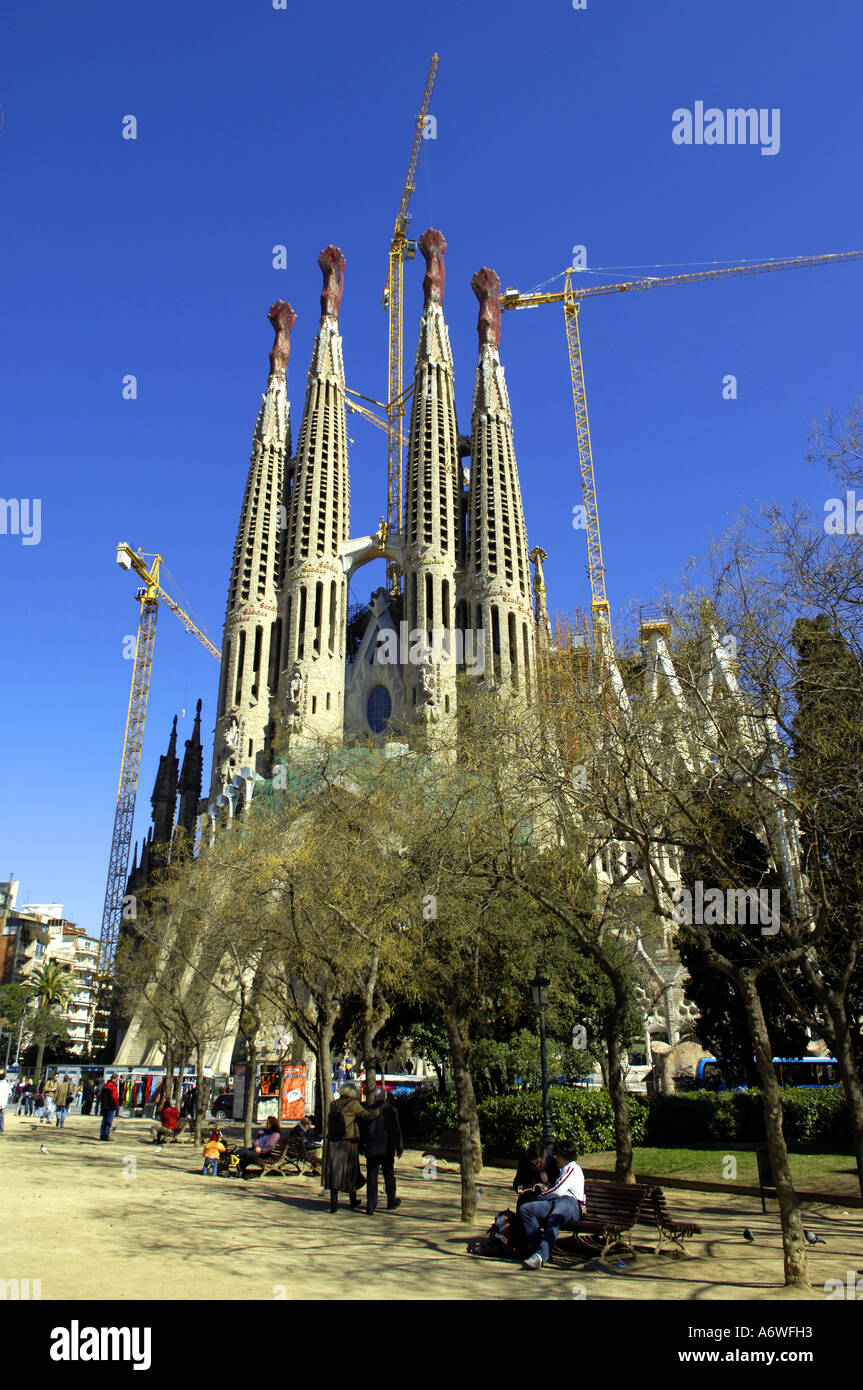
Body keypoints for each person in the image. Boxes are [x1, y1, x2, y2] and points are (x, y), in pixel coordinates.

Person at [520, 1141, 586, 1271]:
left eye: (558, 1155)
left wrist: (539, 1197)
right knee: (526, 1209)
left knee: (554, 1218)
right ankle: (538, 1247)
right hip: (556, 1202)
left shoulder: (573, 1169)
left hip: (570, 1203)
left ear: (565, 1157)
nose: (555, 1158)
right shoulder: (563, 1169)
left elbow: (558, 1190)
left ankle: (540, 1256)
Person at [324, 1083, 382, 1213]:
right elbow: (367, 1116)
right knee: (351, 1170)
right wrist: (380, 1109)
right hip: (348, 1142)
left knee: (335, 1172)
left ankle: (334, 1203)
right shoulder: (353, 1104)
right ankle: (352, 1200)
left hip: (334, 1142)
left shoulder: (334, 1104)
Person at [360, 1086, 403, 1215]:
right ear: (385, 1097)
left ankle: (371, 1205)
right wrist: (399, 1146)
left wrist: (362, 1146)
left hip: (372, 1147)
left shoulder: (368, 1110)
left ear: (375, 1097)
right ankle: (391, 1201)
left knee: (372, 1176)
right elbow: (396, 1130)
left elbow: (363, 1130)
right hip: (387, 1147)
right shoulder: (392, 1110)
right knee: (389, 1174)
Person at [513, 1140, 559, 1208]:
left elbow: (556, 1184)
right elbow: (518, 1180)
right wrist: (519, 1188)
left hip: (544, 1198)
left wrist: (547, 1188)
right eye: (532, 1163)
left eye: (537, 1162)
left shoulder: (551, 1163)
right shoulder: (524, 1161)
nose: (535, 1165)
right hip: (527, 1196)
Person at [99, 1074, 120, 1141]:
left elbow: (100, 1095)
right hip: (110, 1106)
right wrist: (116, 1104)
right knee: (109, 1121)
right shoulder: (113, 1086)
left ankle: (102, 1135)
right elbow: (114, 1097)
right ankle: (106, 1134)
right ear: (115, 1079)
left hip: (104, 1105)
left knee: (104, 1120)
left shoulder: (105, 1085)